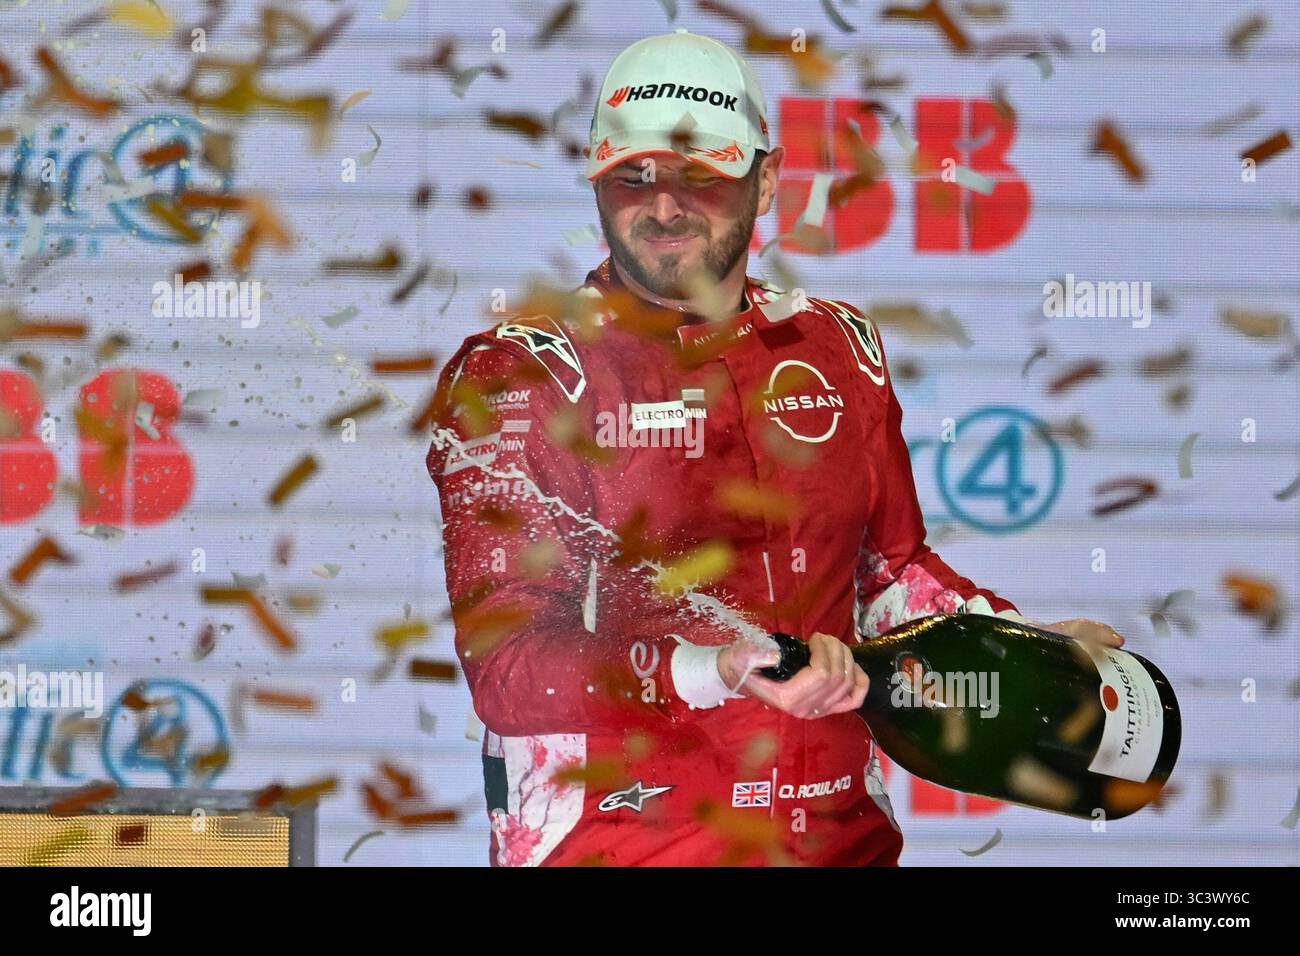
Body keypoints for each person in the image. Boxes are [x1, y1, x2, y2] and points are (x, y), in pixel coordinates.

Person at [426, 28, 1125, 867]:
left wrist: (1020, 647)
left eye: (702, 176)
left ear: (767, 181)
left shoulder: (839, 343)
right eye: (632, 177)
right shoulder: (522, 373)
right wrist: (712, 667)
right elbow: (508, 667)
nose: (664, 206)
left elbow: (888, 576)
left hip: (839, 844)